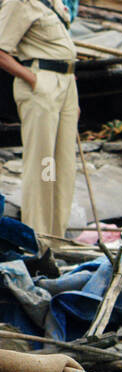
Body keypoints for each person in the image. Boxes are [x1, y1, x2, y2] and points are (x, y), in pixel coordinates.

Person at [0, 0, 78, 241]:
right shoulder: (19, 2)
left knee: (63, 167)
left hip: (66, 83)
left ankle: (57, 239)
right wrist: (34, 80)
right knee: (43, 165)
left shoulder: (53, 1)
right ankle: (39, 238)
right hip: (42, 82)